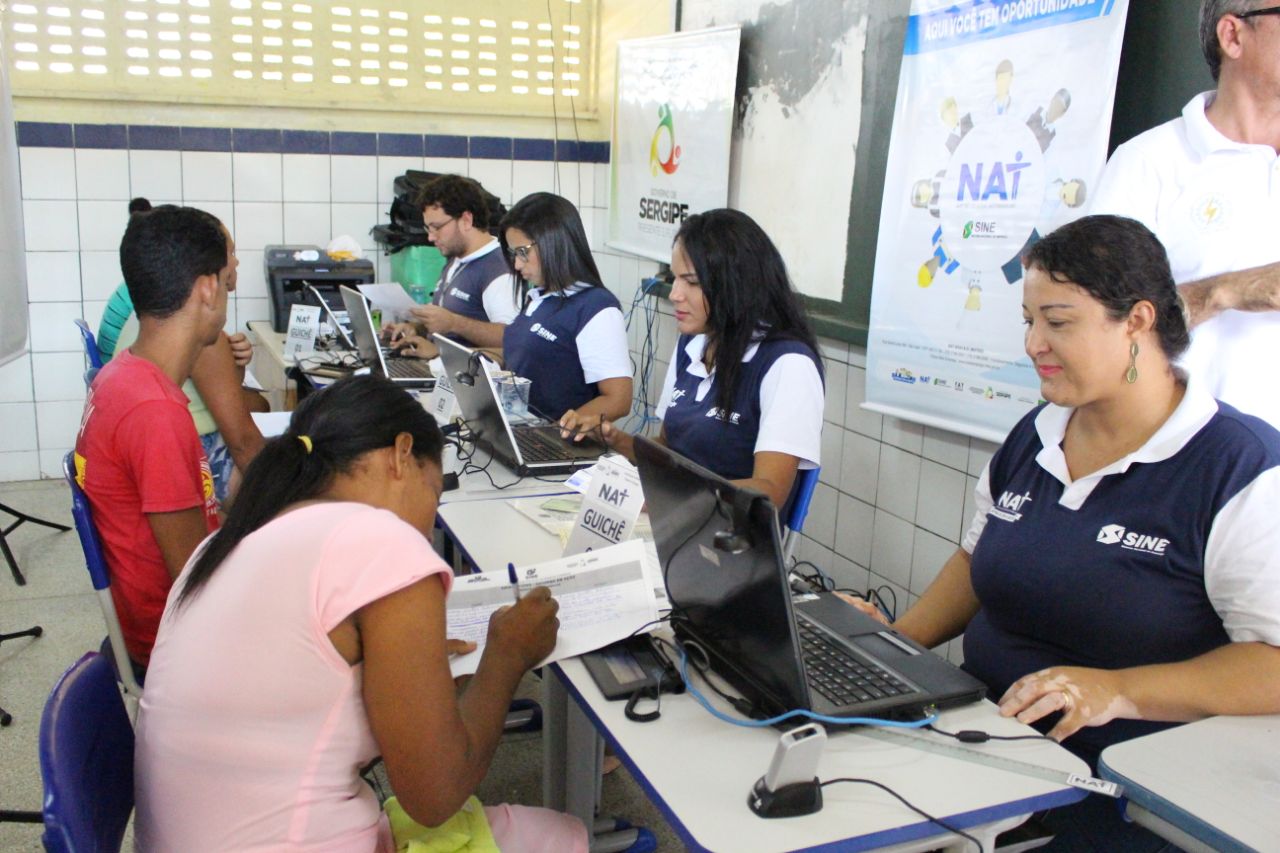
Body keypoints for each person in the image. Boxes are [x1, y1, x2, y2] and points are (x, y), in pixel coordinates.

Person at [843, 215, 1280, 849]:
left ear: (1137, 321)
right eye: (1028, 320)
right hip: (980, 748)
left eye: (1058, 322)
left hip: (1111, 789)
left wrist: (1119, 690)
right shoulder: (1039, 431)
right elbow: (977, 556)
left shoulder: (1239, 469)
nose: (1033, 344)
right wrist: (892, 645)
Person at [134, 375, 587, 852]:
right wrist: (507, 655)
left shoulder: (228, 543)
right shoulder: (380, 542)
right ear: (400, 454)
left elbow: (293, 718)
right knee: (562, 838)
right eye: (433, 493)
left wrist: (413, 678)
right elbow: (435, 798)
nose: (429, 523)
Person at [1089, 0, 1280, 428]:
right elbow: (1095, 325)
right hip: (1187, 461)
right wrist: (1225, 291)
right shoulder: (1148, 162)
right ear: (1233, 35)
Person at [74, 205, 232, 672]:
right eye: (226, 278)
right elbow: (193, 580)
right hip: (176, 646)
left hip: (152, 623)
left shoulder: (122, 374)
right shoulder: (155, 411)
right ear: (207, 288)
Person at [589, 209, 823, 511]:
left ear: (735, 283)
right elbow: (670, 449)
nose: (675, 294)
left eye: (692, 282)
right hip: (673, 522)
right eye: (675, 279)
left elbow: (769, 492)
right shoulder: (693, 341)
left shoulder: (787, 364)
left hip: (727, 541)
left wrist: (672, 499)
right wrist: (617, 442)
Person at [97, 197, 266, 503]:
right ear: (207, 288)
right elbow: (243, 442)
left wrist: (233, 365)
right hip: (202, 470)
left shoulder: (139, 346)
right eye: (230, 254)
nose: (236, 263)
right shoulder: (160, 413)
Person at [498, 192, 632, 424]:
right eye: (513, 254)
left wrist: (559, 431)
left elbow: (618, 400)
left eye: (523, 252)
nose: (517, 264)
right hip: (522, 432)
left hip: (561, 447)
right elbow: (526, 355)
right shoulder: (539, 296)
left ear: (554, 242)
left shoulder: (596, 308)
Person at [387, 174, 519, 359]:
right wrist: (415, 329)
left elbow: (511, 339)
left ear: (466, 220)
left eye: (437, 227)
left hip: (470, 381)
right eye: (428, 229)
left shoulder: (498, 270)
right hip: (440, 371)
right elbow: (444, 322)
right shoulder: (456, 258)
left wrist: (454, 324)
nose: (430, 237)